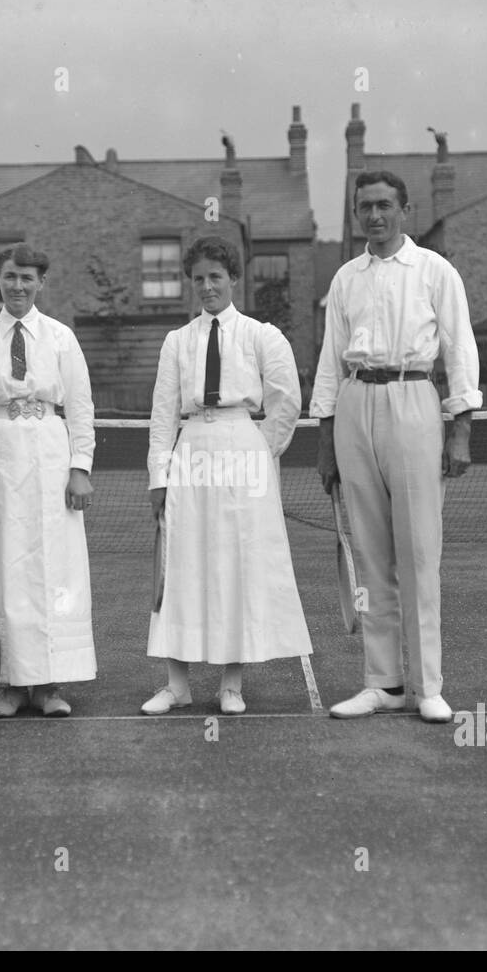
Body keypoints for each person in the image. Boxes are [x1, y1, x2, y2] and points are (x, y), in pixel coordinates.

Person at [312, 170, 481, 723]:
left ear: (405, 210)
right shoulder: (345, 278)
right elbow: (330, 361)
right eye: (365, 207)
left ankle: (427, 686)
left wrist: (461, 427)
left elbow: (459, 349)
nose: (375, 215)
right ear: (356, 213)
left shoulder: (435, 270)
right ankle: (383, 682)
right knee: (370, 556)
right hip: (355, 405)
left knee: (418, 554)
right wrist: (326, 442)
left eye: (385, 205)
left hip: (413, 399)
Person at [141, 236, 312, 715]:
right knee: (181, 563)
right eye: (198, 279)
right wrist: (159, 476)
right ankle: (177, 684)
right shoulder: (177, 341)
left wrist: (258, 449)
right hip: (191, 450)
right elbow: (162, 414)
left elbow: (286, 401)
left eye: (215, 276)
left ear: (234, 278)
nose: (207, 287)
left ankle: (231, 686)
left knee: (236, 562)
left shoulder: (262, 336)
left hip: (242, 448)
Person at [0, 245, 96, 718]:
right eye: (10, 276)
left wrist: (80, 468)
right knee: (1, 566)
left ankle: (48, 686)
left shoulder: (61, 337)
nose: (17, 286)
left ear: (41, 283)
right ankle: (11, 685)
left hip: (50, 457)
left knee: (52, 569)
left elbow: (80, 406)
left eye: (27, 278)